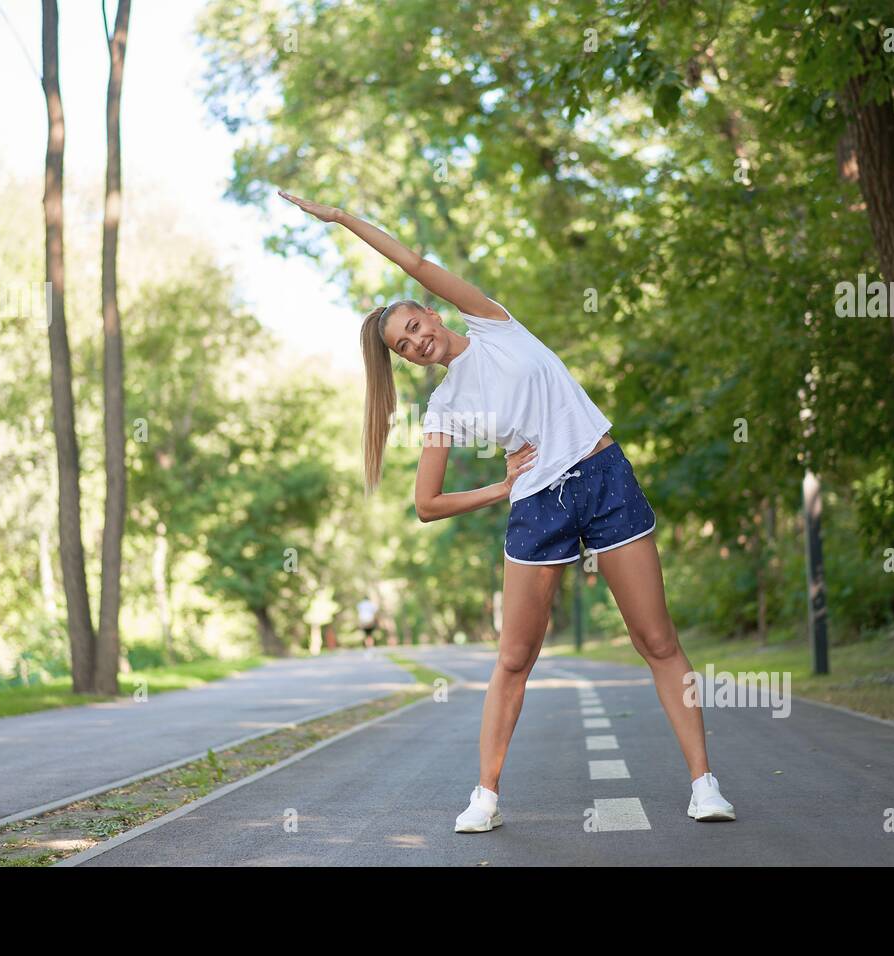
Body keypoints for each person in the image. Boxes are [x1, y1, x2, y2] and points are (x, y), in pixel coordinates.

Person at [278, 189, 736, 830]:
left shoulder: (494, 324)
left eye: (415, 327)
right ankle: (486, 797)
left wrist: (343, 219)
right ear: (405, 361)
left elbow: (413, 261)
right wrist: (498, 489)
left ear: (434, 314)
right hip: (535, 505)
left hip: (603, 477)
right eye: (404, 347)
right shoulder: (442, 408)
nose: (416, 342)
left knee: (656, 639)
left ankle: (704, 785)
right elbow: (426, 504)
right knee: (515, 658)